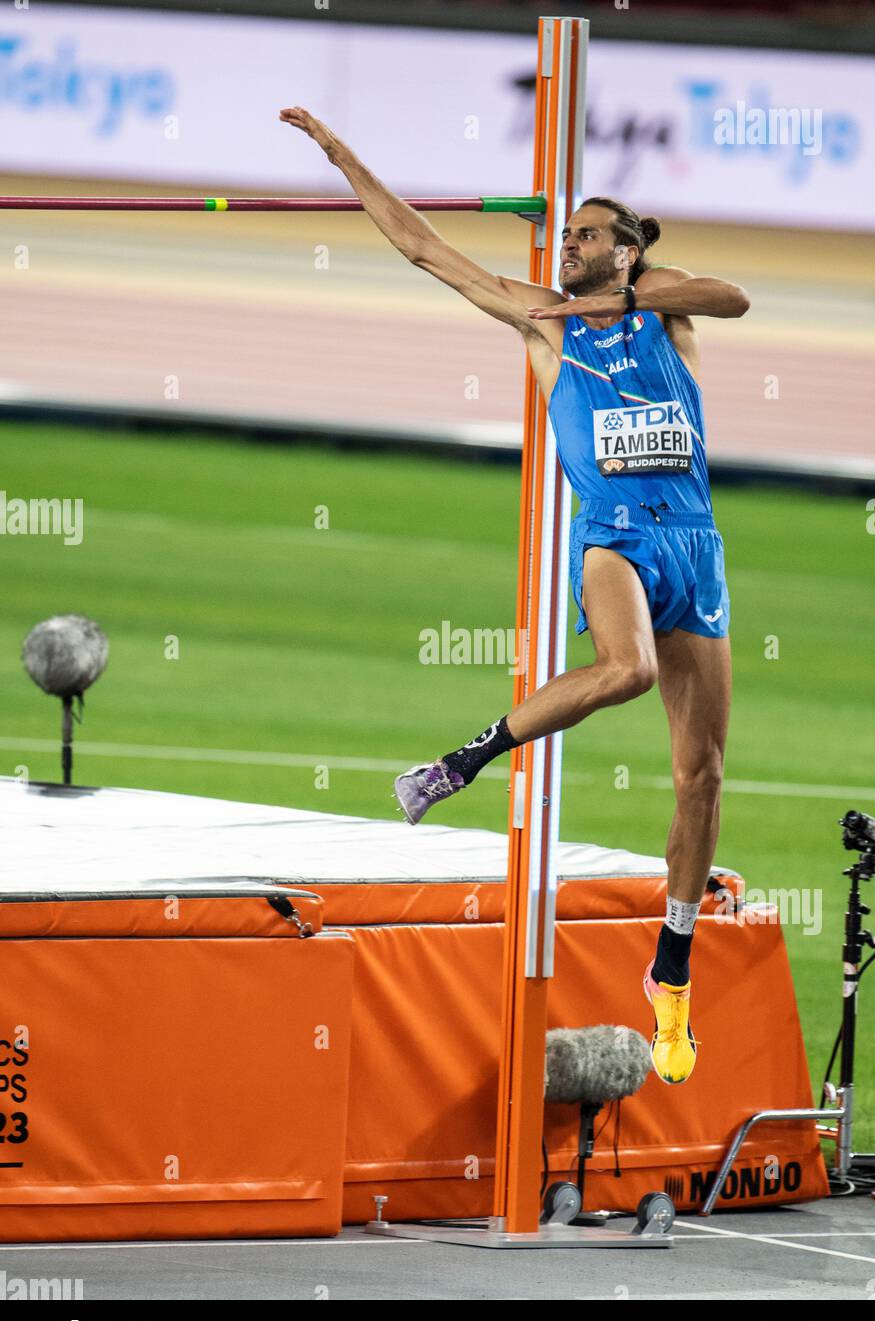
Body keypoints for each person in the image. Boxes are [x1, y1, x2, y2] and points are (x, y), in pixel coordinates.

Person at [280, 106, 750, 1084]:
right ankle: (470, 754)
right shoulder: (537, 322)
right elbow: (422, 249)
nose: (566, 243)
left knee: (700, 776)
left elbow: (735, 294)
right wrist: (340, 153)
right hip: (615, 538)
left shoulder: (666, 313)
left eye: (585, 233)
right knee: (625, 668)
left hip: (695, 545)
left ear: (622, 252)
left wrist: (639, 287)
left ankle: (671, 971)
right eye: (566, 234)